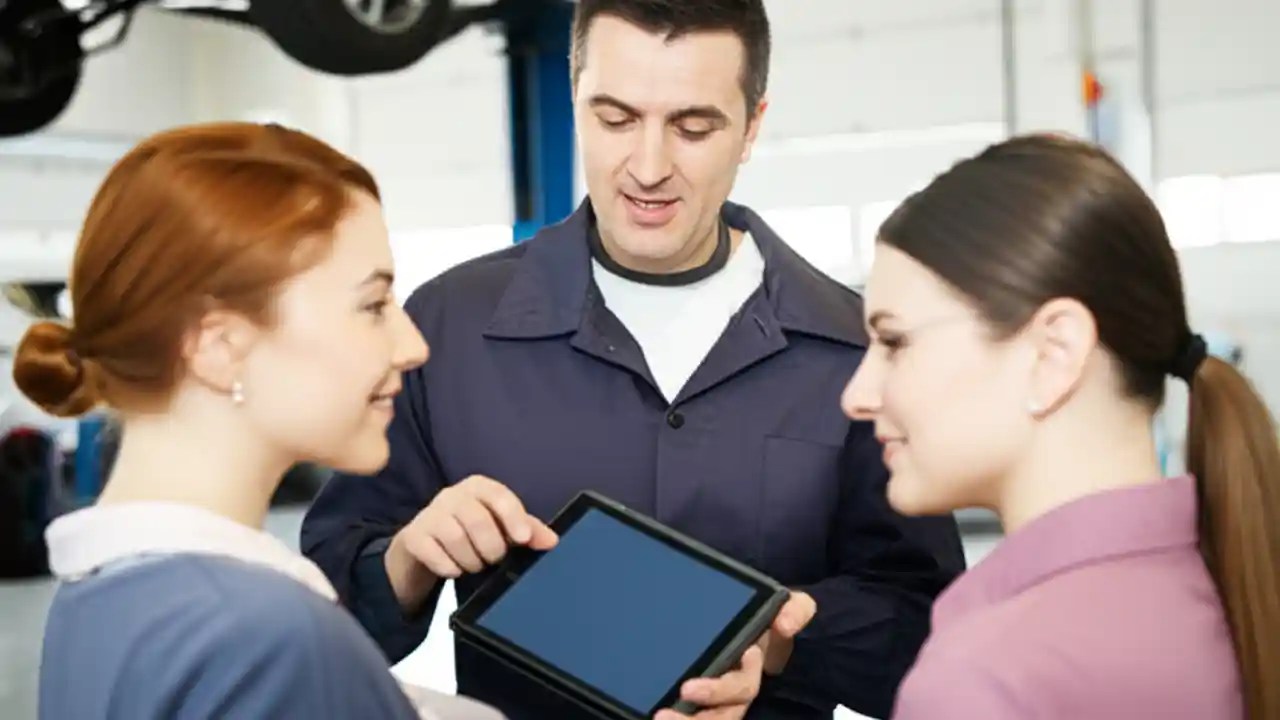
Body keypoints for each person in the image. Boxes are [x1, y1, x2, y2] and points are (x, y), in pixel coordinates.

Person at [301, 1, 965, 719]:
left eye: (693, 127)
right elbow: (319, 620)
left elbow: (928, 633)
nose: (648, 168)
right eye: (615, 119)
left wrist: (775, 641)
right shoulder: (449, 328)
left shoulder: (853, 351)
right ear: (576, 102)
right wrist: (406, 562)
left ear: (752, 126)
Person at [14, 122, 503, 720]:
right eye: (373, 305)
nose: (412, 346)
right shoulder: (272, 638)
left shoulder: (102, 591)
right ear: (220, 347)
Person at [841, 134, 1280, 719]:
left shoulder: (984, 679)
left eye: (895, 342)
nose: (856, 396)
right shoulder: (1230, 592)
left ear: (1054, 353)